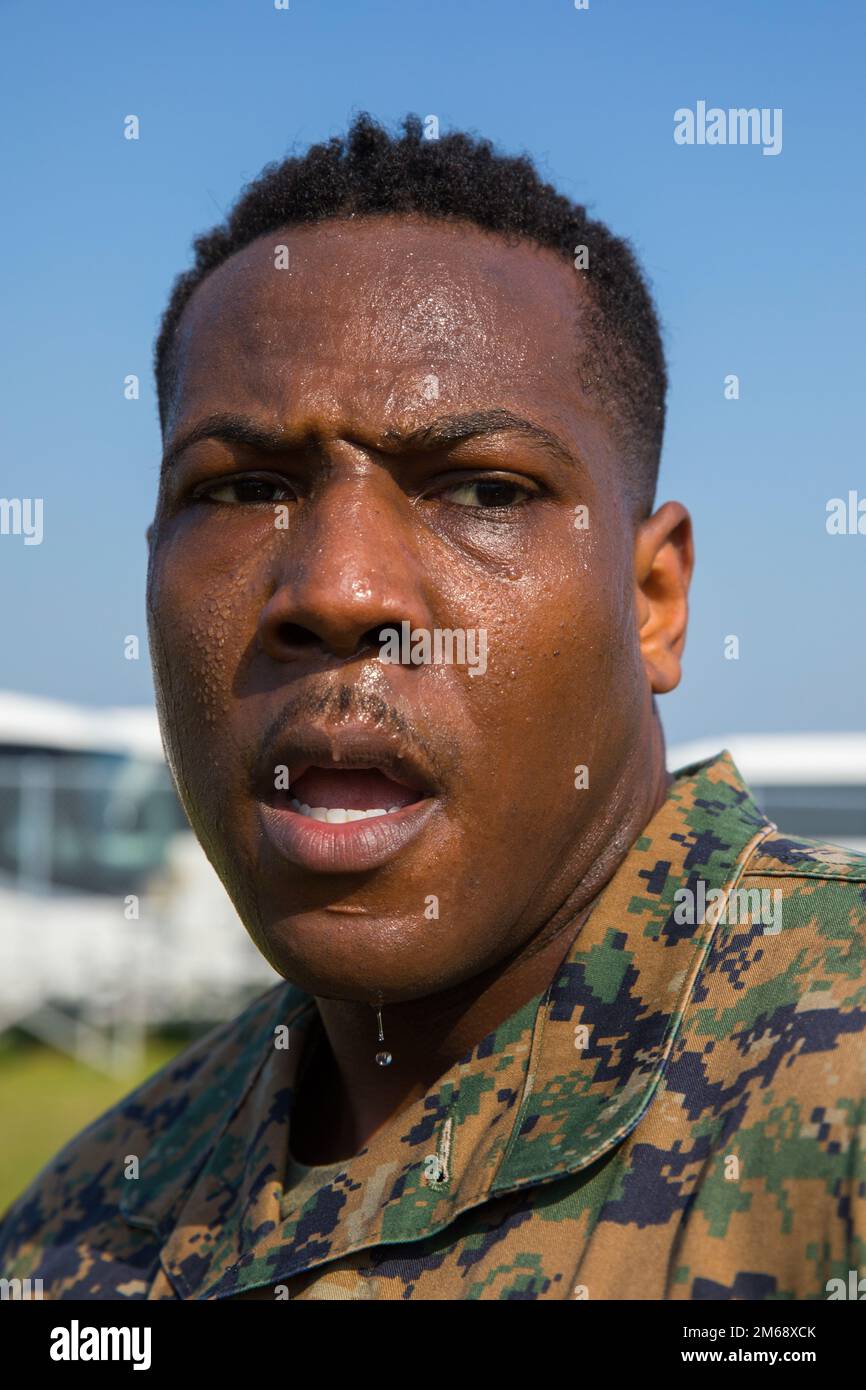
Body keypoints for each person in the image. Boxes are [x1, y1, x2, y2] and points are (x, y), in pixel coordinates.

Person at [2, 114, 864, 1301]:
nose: (338, 590)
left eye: (481, 487)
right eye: (243, 487)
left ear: (653, 598)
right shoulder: (82, 1232)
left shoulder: (834, 1079)